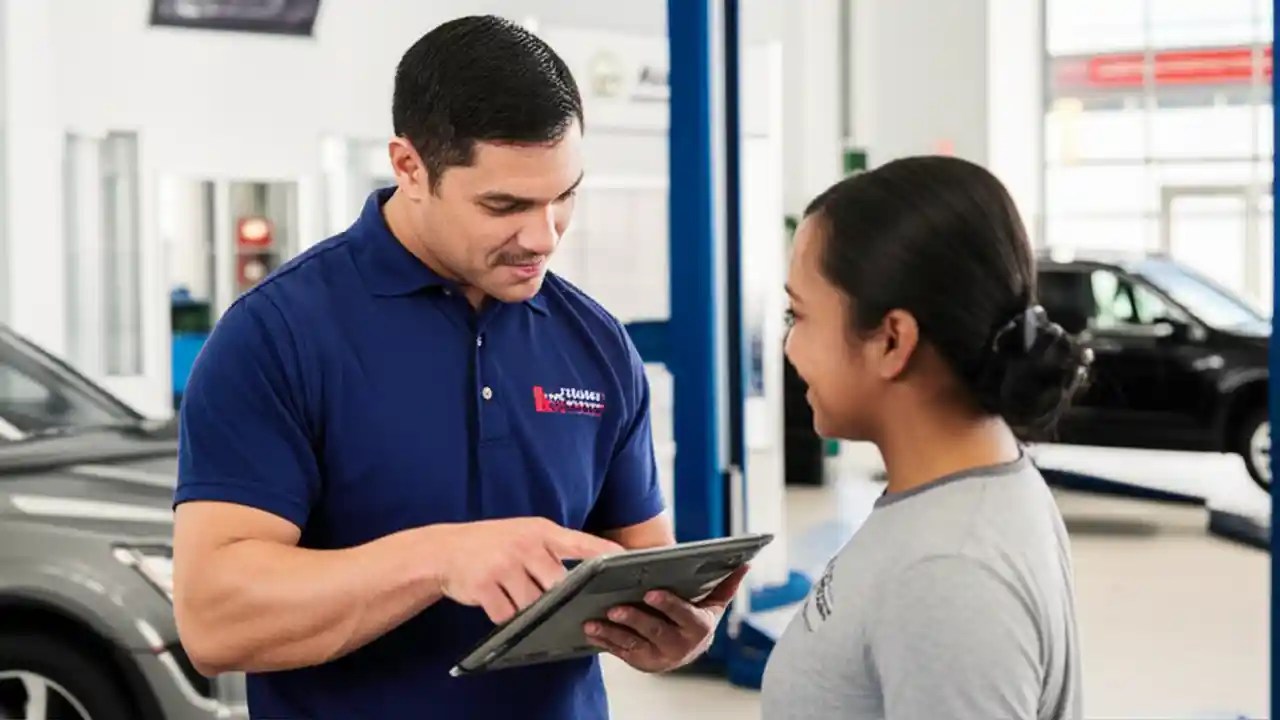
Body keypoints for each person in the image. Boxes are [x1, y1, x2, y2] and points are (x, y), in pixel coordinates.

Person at [171, 15, 744, 720]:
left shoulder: (597, 343)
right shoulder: (275, 336)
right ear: (410, 167)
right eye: (504, 205)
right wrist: (438, 560)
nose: (543, 236)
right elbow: (214, 621)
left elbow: (645, 564)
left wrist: (676, 635)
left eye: (564, 196)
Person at [762, 156, 1089, 720]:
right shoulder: (963, 494)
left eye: (799, 316)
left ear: (892, 341)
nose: (789, 347)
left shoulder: (948, 573)